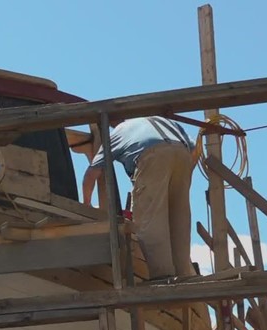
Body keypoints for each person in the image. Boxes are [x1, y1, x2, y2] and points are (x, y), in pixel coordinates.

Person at [84, 116, 197, 281]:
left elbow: (93, 173)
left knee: (150, 220)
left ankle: (163, 277)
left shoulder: (119, 131)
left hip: (151, 156)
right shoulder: (161, 120)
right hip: (183, 154)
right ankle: (183, 275)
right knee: (179, 218)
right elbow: (194, 149)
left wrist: (86, 205)